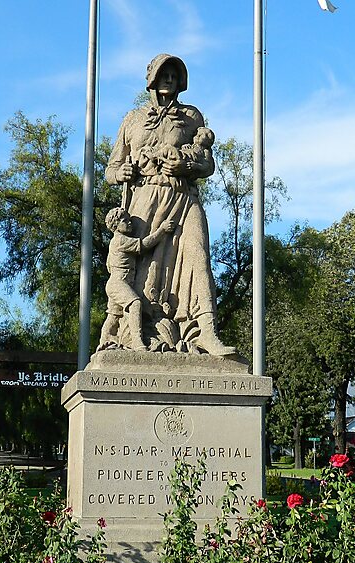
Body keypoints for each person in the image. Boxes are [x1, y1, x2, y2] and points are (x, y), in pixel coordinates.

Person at [105, 54, 235, 356]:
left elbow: (207, 165)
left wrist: (187, 168)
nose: (169, 80)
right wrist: (120, 172)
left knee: (199, 257)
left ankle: (207, 332)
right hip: (144, 203)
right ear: (152, 78)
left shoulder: (192, 117)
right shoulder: (133, 119)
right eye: (164, 74)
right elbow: (112, 168)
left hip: (183, 197)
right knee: (144, 274)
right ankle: (138, 333)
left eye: (174, 76)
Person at [100, 207, 175, 351]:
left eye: (129, 220)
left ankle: (103, 342)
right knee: (135, 304)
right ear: (115, 225)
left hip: (116, 282)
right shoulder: (120, 240)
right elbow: (144, 244)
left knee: (114, 316)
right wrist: (162, 230)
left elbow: (109, 265)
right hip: (118, 282)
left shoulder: (114, 243)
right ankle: (137, 342)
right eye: (125, 221)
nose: (129, 223)